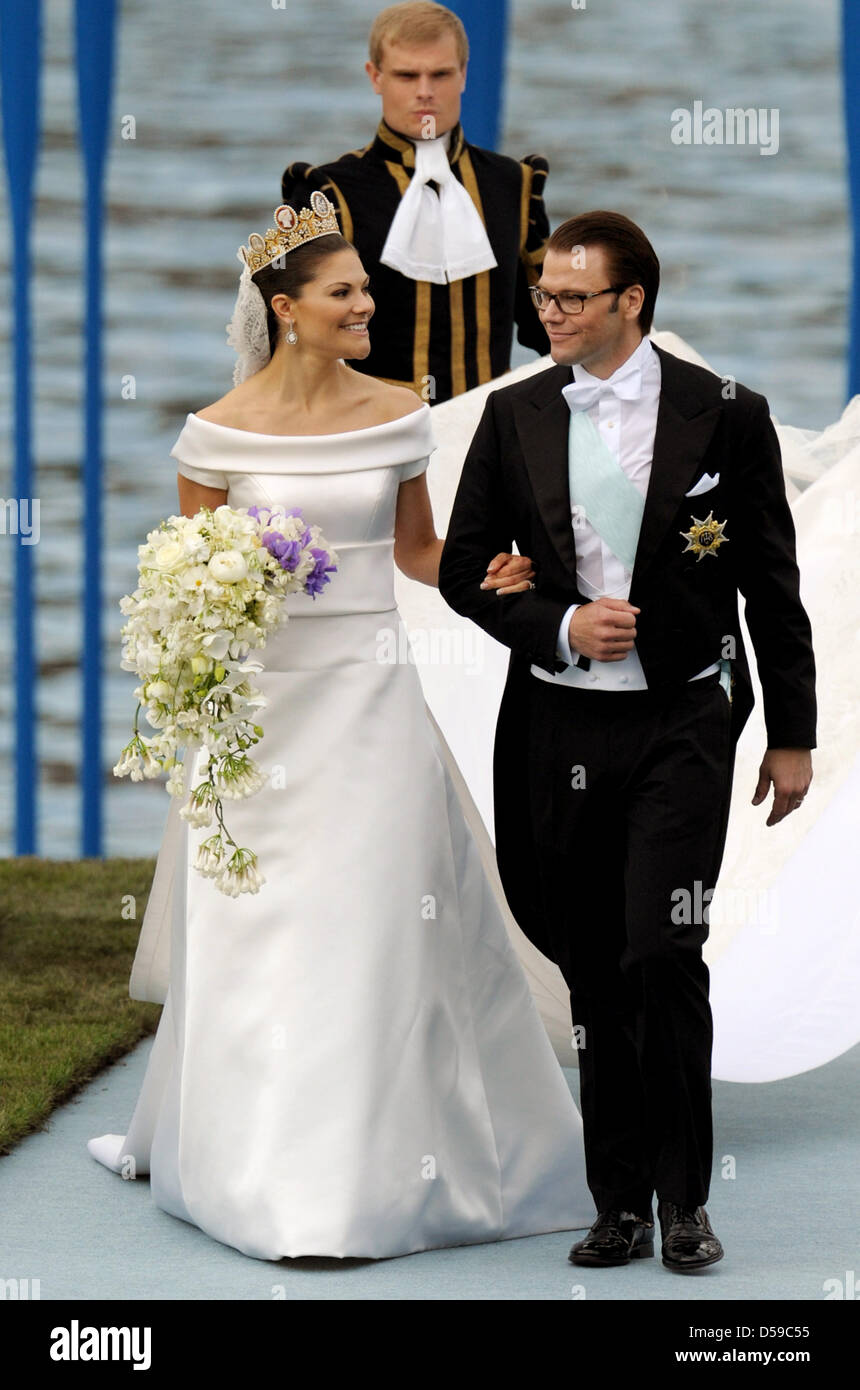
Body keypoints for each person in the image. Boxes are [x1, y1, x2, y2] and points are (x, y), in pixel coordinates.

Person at [86, 193, 594, 1261]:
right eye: (346, 291)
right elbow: (191, 572)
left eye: (366, 286)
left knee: (374, 919)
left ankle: (376, 1173)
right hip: (261, 712)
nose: (369, 303)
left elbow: (417, 550)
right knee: (266, 928)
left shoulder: (397, 414)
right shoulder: (212, 435)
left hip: (369, 697)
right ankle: (257, 1167)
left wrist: (491, 577)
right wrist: (198, 643)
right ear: (285, 308)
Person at [438, 210, 816, 1272]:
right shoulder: (511, 415)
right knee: (594, 966)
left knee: (662, 948)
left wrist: (791, 733)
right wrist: (556, 623)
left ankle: (685, 1201)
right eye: (542, 296)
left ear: (629, 303)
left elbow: (770, 585)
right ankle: (616, 1204)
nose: (545, 313)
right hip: (556, 721)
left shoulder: (727, 415)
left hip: (684, 717)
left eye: (567, 298)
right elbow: (464, 567)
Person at [281, 1, 549, 403]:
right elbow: (296, 341)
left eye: (440, 74)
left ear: (463, 75)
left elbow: (548, 325)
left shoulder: (515, 183)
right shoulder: (329, 193)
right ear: (375, 77)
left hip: (491, 436)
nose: (425, 91)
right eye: (407, 75)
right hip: (371, 435)